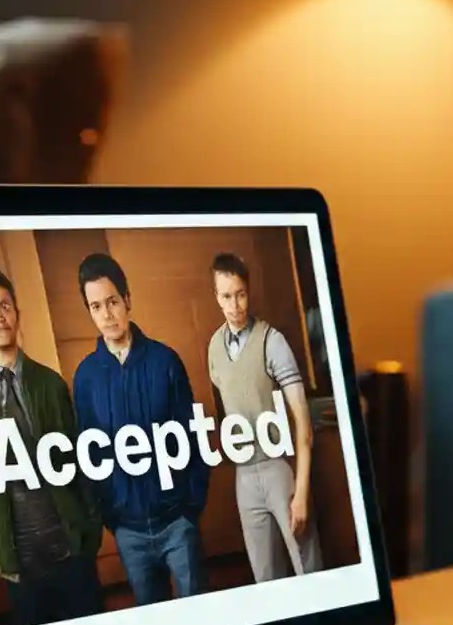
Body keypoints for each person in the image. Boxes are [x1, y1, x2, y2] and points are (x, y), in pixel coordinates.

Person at [0, 265, 103, 625]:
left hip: (71, 554)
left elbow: (80, 461)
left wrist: (89, 532)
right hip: (20, 568)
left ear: (16, 312)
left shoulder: (49, 383)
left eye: (5, 306)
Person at [72, 253, 210, 604]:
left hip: (177, 523)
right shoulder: (86, 378)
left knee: (203, 624)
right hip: (128, 530)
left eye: (113, 302)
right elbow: (92, 455)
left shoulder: (165, 361)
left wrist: (190, 508)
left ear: (128, 300)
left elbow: (192, 438)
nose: (107, 314)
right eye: (96, 306)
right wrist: (111, 517)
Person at [207, 253, 323, 582]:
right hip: (244, 476)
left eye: (240, 294)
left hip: (279, 469)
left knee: (308, 570)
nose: (235, 305)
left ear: (249, 291)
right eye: (227, 296)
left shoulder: (273, 342)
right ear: (216, 297)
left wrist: (300, 492)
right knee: (265, 579)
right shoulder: (214, 348)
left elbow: (303, 423)